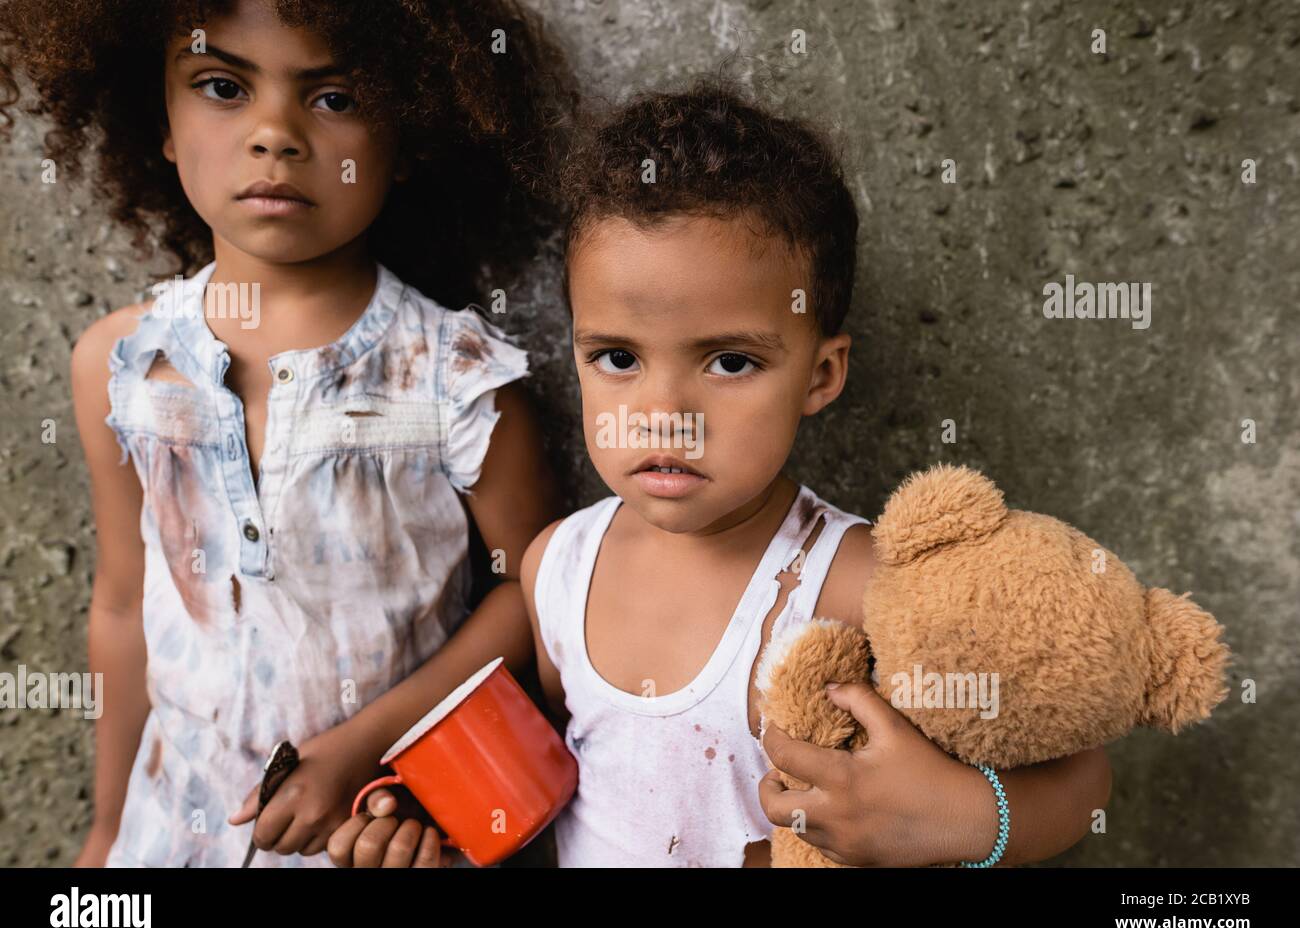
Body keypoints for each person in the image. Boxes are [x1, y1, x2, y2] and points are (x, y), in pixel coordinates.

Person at [332, 78, 1111, 867]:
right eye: (618, 357)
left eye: (730, 360)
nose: (665, 411)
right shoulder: (556, 571)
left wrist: (948, 816)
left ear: (820, 374)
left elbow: (1081, 777)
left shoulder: (862, 584)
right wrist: (435, 826)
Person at [0, 0, 571, 866]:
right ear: (160, 120)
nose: (275, 134)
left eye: (335, 98)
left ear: (411, 133)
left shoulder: (457, 380)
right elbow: (121, 606)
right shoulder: (120, 367)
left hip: (381, 832)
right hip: (175, 827)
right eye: (223, 86)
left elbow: (535, 596)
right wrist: (109, 826)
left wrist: (363, 749)